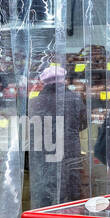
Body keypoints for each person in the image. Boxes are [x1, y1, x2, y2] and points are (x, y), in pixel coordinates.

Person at [26, 64, 86, 206]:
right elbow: (83, 124)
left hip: (43, 153)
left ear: (43, 82)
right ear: (63, 80)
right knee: (71, 191)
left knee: (44, 190)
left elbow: (31, 127)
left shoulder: (35, 102)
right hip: (69, 152)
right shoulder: (75, 99)